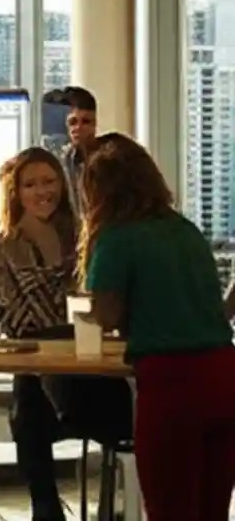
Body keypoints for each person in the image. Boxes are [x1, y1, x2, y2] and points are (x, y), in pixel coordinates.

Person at [79, 132, 235, 520]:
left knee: (170, 507)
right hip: (225, 375)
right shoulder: (186, 231)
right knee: (211, 508)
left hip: (172, 383)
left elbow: (107, 314)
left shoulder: (117, 238)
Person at [0, 148, 130, 521]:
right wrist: (61, 302)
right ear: (15, 192)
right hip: (34, 361)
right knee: (27, 410)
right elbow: (8, 311)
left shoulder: (86, 233)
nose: (41, 191)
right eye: (30, 184)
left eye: (49, 181)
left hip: (87, 360)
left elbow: (96, 303)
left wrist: (62, 312)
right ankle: (46, 509)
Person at [47, 86, 98, 218]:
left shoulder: (106, 160)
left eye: (86, 122)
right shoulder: (61, 161)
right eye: (73, 122)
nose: (79, 128)